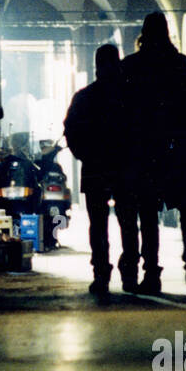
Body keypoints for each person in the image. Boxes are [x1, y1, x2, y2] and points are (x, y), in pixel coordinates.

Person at [121, 12, 186, 291]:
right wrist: (185, 135)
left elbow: (122, 110)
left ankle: (151, 273)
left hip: (144, 150)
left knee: (147, 213)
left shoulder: (131, 67)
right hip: (177, 149)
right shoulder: (182, 66)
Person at [63, 44, 138, 295]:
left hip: (95, 168)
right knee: (128, 222)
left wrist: (85, 156)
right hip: (125, 167)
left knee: (98, 225)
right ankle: (129, 274)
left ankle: (101, 274)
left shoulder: (85, 97)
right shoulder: (129, 96)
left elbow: (71, 131)